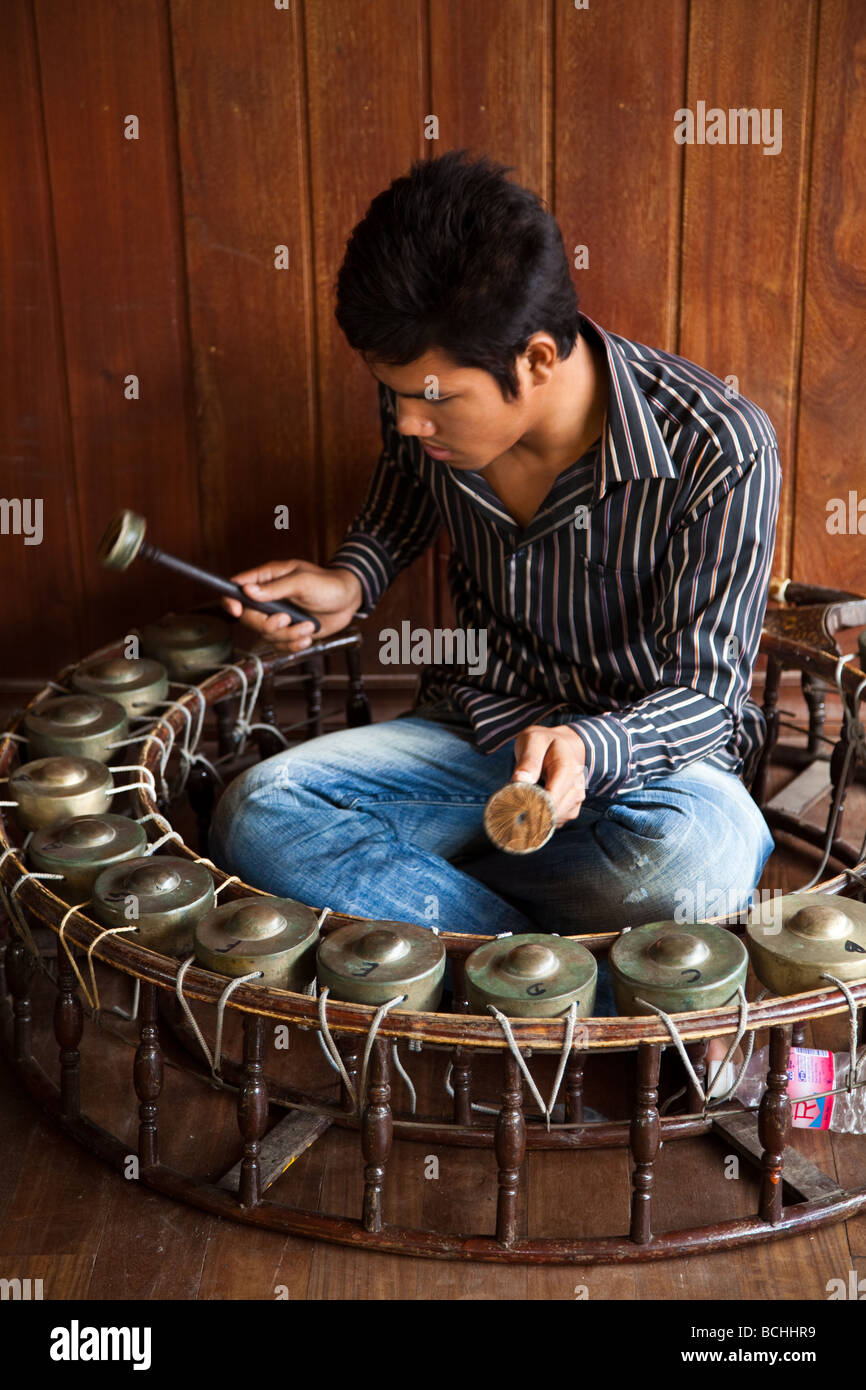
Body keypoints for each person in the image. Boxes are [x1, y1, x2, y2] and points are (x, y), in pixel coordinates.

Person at [208, 149, 780, 1019]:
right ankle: (573, 983)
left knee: (693, 862)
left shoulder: (720, 446)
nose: (407, 421)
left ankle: (423, 912)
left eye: (431, 400)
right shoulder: (424, 406)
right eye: (393, 395)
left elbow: (709, 695)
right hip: (473, 738)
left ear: (538, 358)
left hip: (646, 776)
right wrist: (353, 578)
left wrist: (593, 747)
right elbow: (403, 493)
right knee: (258, 813)